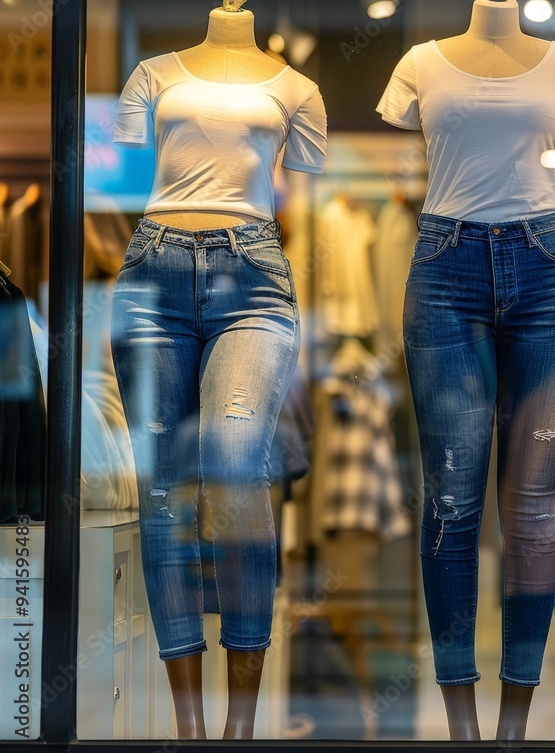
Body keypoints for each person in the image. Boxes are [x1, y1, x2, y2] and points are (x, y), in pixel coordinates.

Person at [377, 0, 555, 740]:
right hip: (446, 266)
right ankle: (460, 725)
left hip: (547, 266)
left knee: (533, 506)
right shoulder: (419, 63)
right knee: (450, 501)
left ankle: (512, 722)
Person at [111, 2, 326, 739]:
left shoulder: (295, 87)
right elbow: (119, 181)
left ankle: (240, 723)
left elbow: (299, 180)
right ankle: (190, 724)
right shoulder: (151, 74)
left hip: (252, 277)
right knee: (163, 489)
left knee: (235, 464)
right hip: (152, 271)